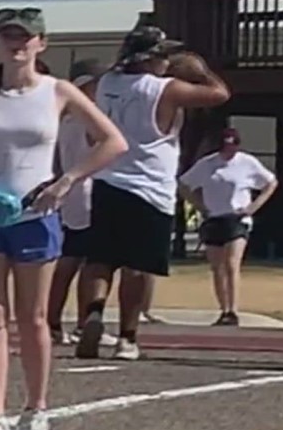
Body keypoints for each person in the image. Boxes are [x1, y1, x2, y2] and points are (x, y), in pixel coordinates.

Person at [0, 9, 127, 430]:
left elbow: (113, 141)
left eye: (26, 36)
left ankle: (36, 406)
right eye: (8, 36)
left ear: (42, 43)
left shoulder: (57, 92)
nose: (17, 44)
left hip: (35, 215)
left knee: (33, 316)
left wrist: (67, 180)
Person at [75, 27, 230, 361]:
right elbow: (219, 94)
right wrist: (200, 70)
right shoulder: (165, 89)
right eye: (162, 56)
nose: (166, 62)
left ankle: (93, 312)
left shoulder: (102, 85)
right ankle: (128, 336)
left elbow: (79, 102)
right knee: (138, 265)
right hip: (149, 185)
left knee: (100, 258)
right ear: (150, 60)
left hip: (107, 180)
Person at [47, 59, 119, 349]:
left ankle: (54, 323)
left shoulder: (64, 119)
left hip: (71, 195)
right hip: (90, 194)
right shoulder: (88, 120)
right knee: (92, 264)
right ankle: (83, 322)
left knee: (68, 263)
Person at [178, 127, 278, 326]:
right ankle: (223, 309)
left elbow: (270, 182)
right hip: (213, 217)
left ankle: (233, 309)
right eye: (226, 146)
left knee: (232, 264)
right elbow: (184, 184)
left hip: (237, 218)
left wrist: (253, 207)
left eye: (233, 145)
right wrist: (199, 206)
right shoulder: (207, 164)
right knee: (217, 267)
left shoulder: (246, 162)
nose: (229, 150)